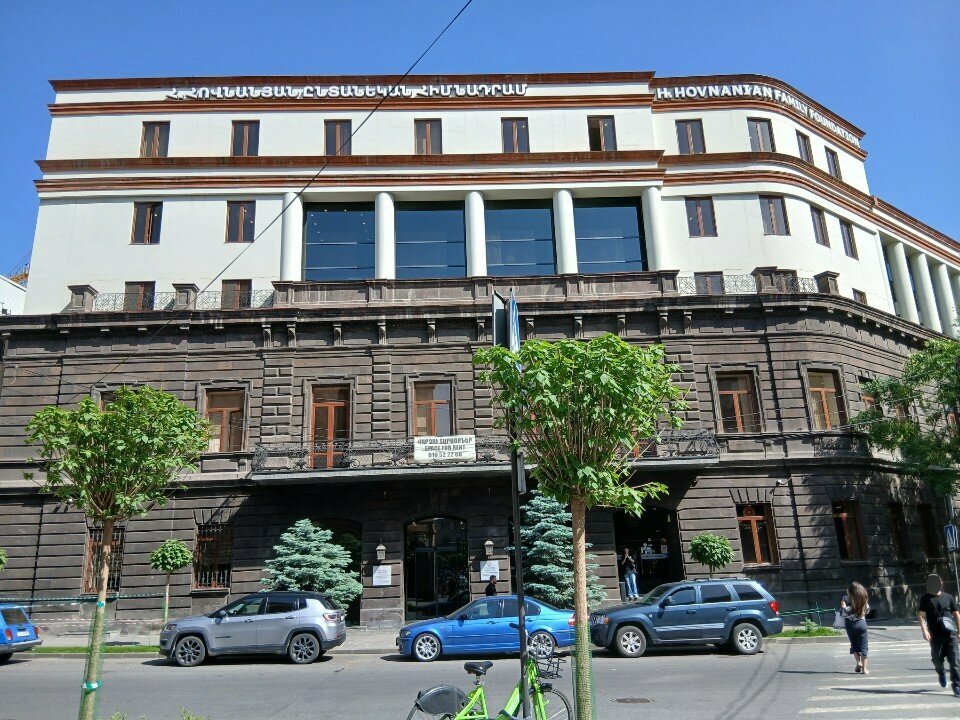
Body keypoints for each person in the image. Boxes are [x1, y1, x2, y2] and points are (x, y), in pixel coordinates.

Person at [917, 573, 960, 696]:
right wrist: (924, 631)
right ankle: (941, 672)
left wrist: (959, 631)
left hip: (950, 635)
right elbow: (921, 615)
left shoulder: (948, 597)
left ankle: (956, 685)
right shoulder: (925, 598)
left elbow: (956, 614)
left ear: (941, 583)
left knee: (955, 661)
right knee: (937, 660)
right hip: (935, 636)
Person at [839, 581, 870, 674]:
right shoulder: (863, 598)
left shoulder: (845, 599)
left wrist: (849, 608)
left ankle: (858, 662)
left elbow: (843, 613)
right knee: (864, 646)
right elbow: (867, 610)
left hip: (850, 625)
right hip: (861, 624)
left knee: (854, 644)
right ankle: (864, 669)